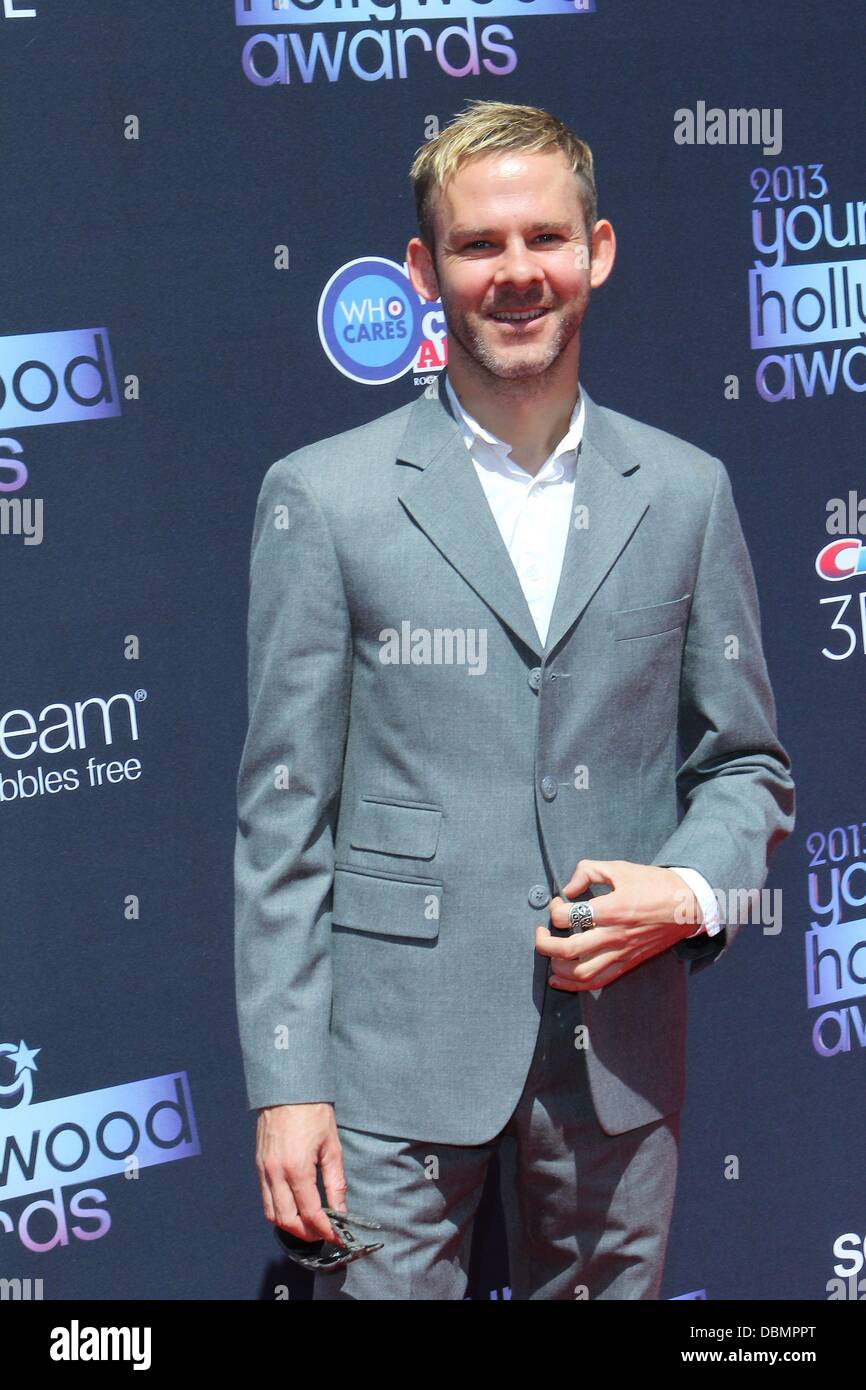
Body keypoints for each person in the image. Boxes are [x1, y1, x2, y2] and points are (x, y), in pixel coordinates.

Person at [233, 99, 795, 1300]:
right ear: (423, 275)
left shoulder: (686, 493)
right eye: (481, 247)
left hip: (618, 1072)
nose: (517, 273)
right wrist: (288, 1084)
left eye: (545, 237)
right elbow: (282, 820)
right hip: (391, 1076)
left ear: (595, 252)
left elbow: (746, 766)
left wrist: (689, 889)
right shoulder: (323, 499)